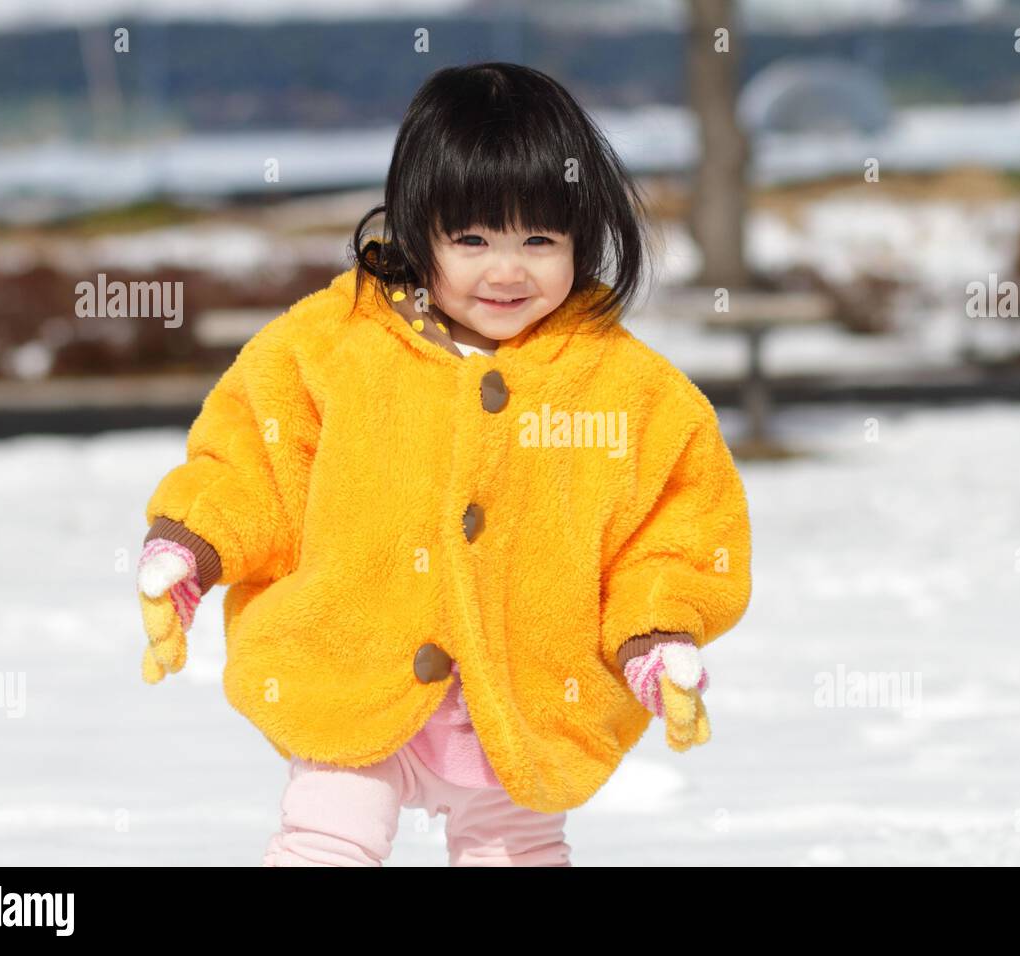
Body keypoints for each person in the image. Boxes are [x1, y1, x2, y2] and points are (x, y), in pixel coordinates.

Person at [135, 62, 752, 866]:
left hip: (523, 699)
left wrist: (657, 632)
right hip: (352, 678)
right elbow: (257, 456)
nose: (507, 270)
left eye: (540, 239)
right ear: (419, 228)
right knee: (328, 838)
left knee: (517, 849)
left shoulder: (625, 388)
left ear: (583, 237)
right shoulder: (332, 346)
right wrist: (193, 540)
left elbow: (670, 524)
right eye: (472, 240)